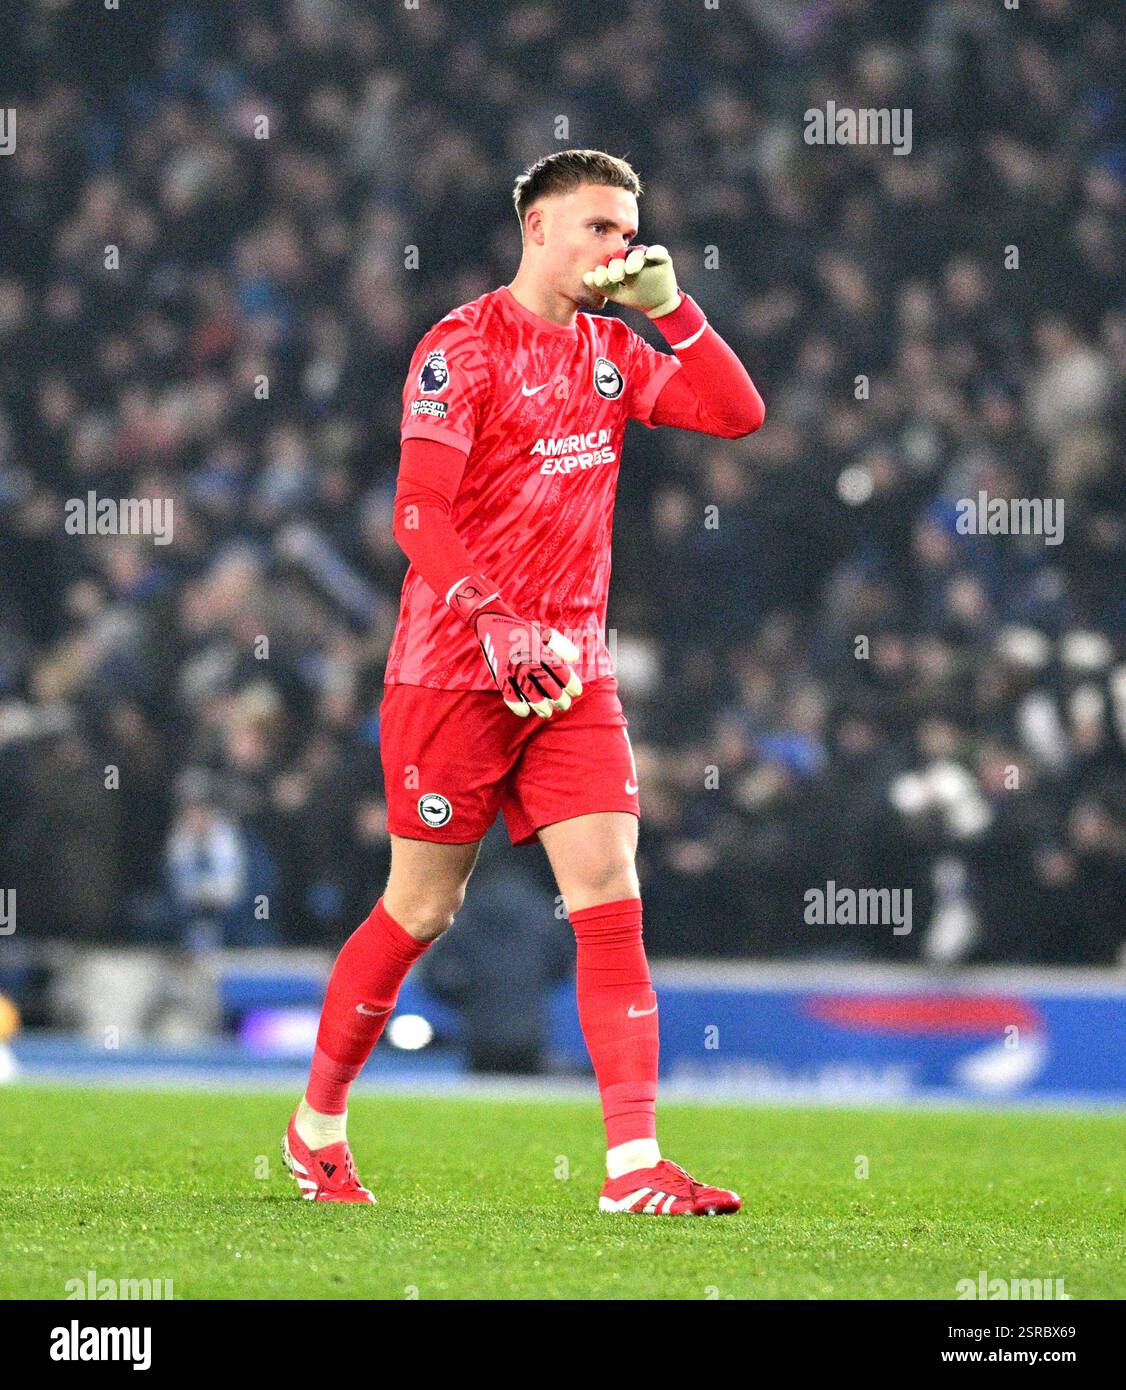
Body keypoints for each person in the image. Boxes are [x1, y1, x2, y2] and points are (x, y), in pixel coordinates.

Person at [284, 149, 764, 1214]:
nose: (618, 249)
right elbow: (418, 516)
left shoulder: (614, 349)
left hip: (570, 675)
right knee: (420, 906)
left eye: (629, 231)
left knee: (608, 891)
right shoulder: (462, 348)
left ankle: (632, 1167)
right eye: (599, 228)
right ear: (537, 229)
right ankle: (316, 1124)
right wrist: (494, 621)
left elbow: (737, 415)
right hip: (452, 669)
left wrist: (674, 308)